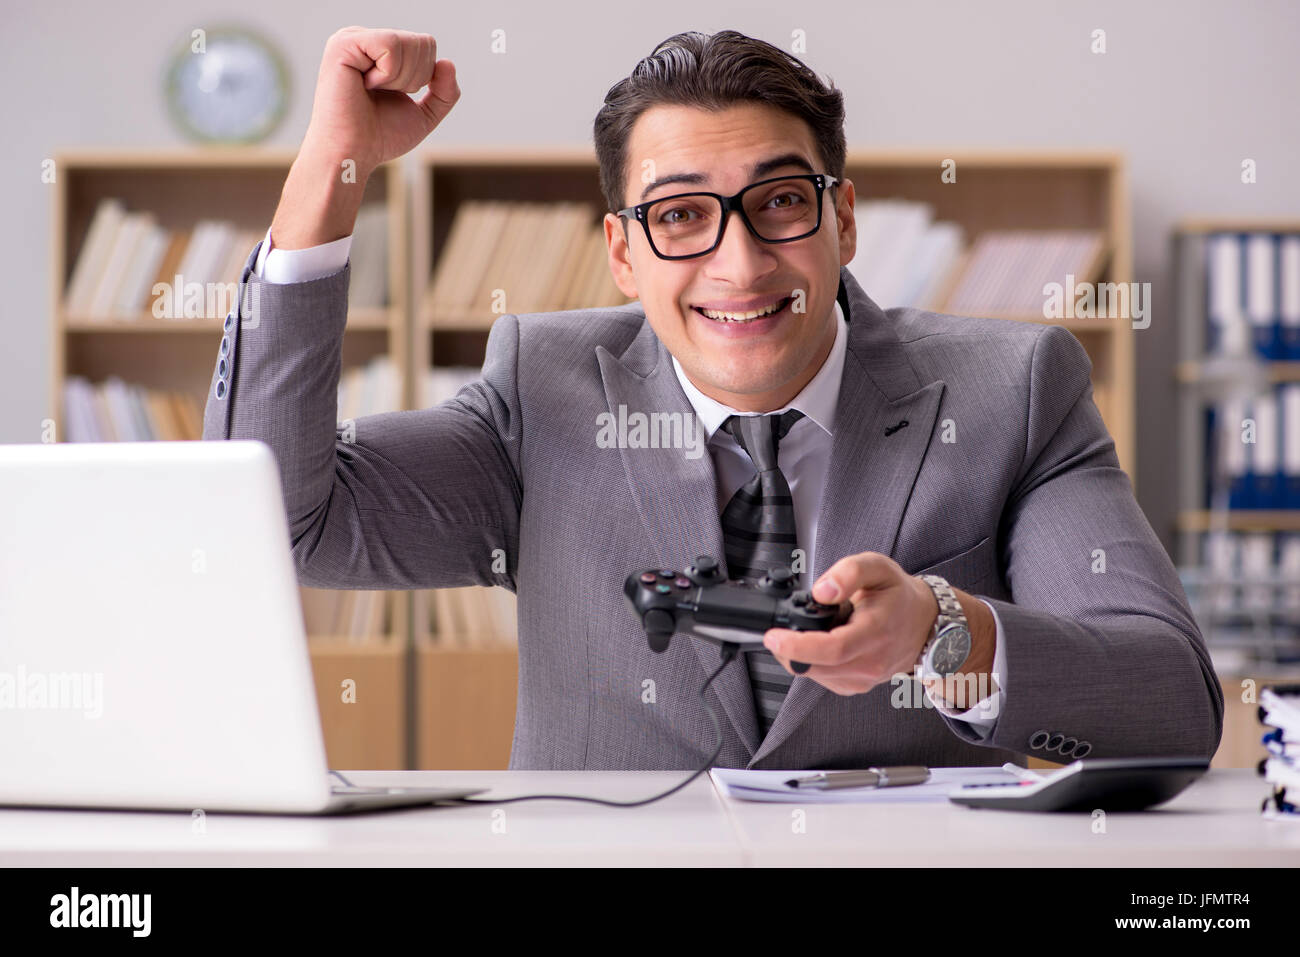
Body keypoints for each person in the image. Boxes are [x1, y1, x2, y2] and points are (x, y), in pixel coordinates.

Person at [204, 27, 1222, 770]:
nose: (739, 264)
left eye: (780, 202)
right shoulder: (542, 394)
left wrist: (937, 634)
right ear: (621, 253)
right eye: (681, 215)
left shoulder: (1015, 391)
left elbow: (1169, 702)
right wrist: (330, 175)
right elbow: (277, 520)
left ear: (844, 220)